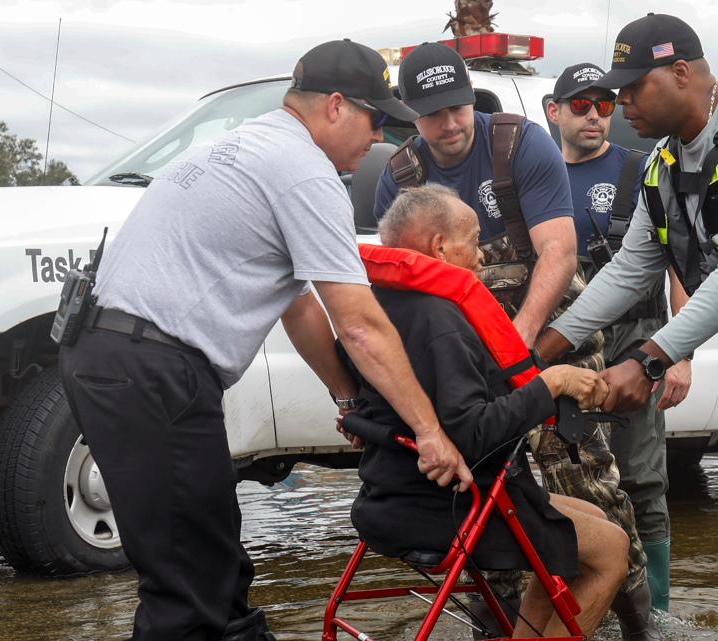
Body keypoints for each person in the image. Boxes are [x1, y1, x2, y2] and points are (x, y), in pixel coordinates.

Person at [58, 40, 472, 641]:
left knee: (215, 563)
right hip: (152, 371)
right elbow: (358, 322)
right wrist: (429, 431)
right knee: (189, 588)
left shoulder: (246, 146)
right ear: (336, 106)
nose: (380, 137)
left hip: (111, 359)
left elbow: (298, 305)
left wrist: (349, 399)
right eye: (375, 119)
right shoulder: (305, 172)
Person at [373, 42, 652, 638]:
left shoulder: (519, 144)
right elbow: (396, 296)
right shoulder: (399, 177)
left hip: (544, 335)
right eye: (433, 114)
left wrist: (519, 349)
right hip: (462, 353)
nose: (450, 124)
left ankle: (638, 622)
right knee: (490, 483)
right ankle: (498, 623)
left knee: (588, 484)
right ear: (411, 114)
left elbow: (560, 252)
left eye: (457, 107)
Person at [535, 17, 718, 639]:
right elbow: (630, 269)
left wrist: (653, 359)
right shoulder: (661, 163)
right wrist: (541, 347)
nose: (621, 103)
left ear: (682, 73)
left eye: (631, 89)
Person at [347, 184, 629, 639]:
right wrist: (553, 383)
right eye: (475, 241)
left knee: (590, 520)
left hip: (387, 496)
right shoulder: (440, 320)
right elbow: (472, 434)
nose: (481, 257)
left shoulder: (375, 306)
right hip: (452, 507)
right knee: (612, 550)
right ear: (440, 247)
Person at [544, 61, 683, 625]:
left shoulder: (639, 167)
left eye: (604, 105)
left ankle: (655, 617)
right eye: (581, 105)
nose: (596, 116)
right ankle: (588, 606)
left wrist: (678, 354)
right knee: (571, 479)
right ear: (553, 111)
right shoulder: (539, 174)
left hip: (636, 342)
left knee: (643, 478)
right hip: (567, 345)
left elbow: (677, 260)